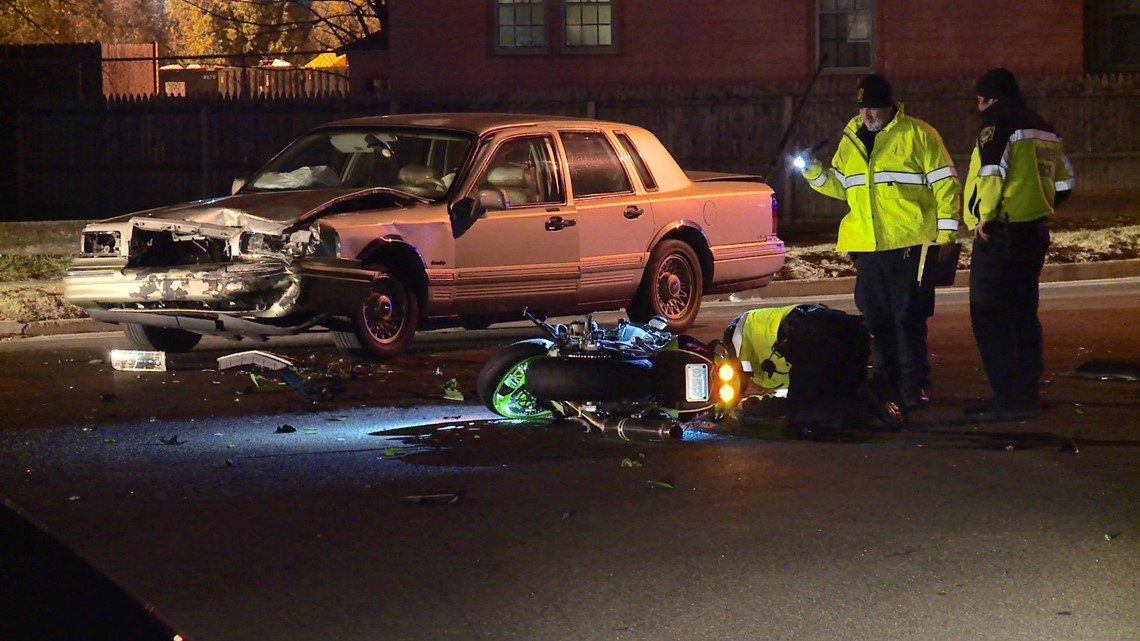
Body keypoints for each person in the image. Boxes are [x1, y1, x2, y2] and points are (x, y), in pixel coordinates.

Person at [796, 74, 962, 416]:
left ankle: (913, 386)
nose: (867, 116)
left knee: (908, 318)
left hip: (909, 243)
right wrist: (813, 171)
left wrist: (946, 235)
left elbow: (946, 185)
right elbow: (842, 187)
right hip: (868, 247)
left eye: (873, 108)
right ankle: (885, 385)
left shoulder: (917, 134)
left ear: (891, 107)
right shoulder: (852, 138)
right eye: (862, 109)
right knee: (876, 320)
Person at [963, 68, 1074, 421]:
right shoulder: (1045, 128)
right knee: (1023, 314)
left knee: (989, 313)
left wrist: (986, 216)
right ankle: (1027, 392)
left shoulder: (997, 124)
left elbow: (992, 174)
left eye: (979, 101)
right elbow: (1066, 180)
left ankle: (1008, 397)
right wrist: (1041, 204)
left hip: (1002, 233)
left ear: (989, 98)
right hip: (1034, 231)